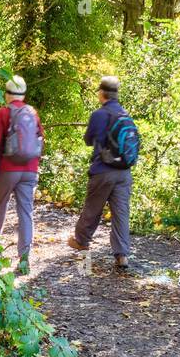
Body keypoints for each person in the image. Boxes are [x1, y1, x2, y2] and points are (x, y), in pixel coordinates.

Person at [68, 75, 132, 271]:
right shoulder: (125, 114)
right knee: (121, 214)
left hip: (103, 171)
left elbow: (88, 140)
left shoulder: (99, 115)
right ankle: (122, 256)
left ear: (101, 93)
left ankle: (82, 242)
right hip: (124, 173)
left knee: (92, 209)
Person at [0, 75, 43, 275]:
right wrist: (35, 167)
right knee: (26, 213)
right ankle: (24, 260)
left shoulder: (3, 113)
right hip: (30, 170)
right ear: (24, 94)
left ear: (7, 94)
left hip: (8, 170)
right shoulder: (33, 113)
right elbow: (39, 140)